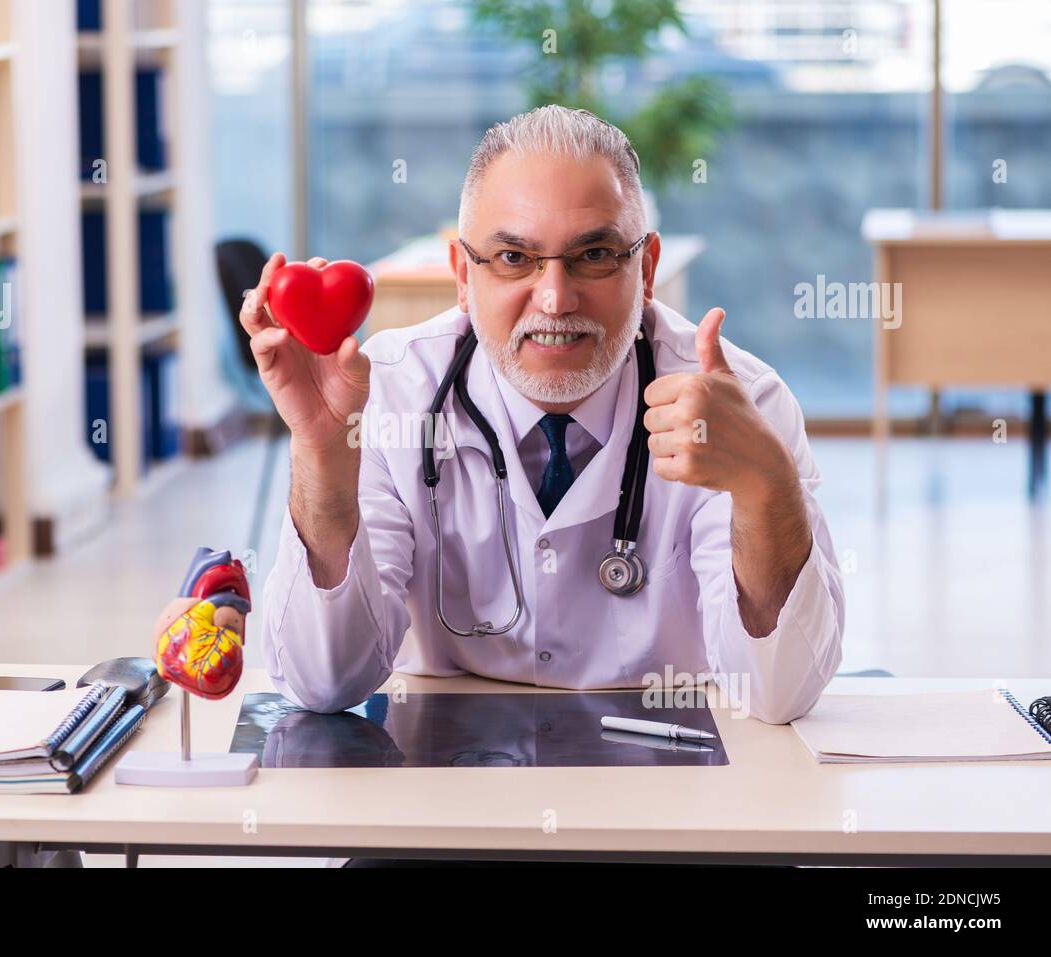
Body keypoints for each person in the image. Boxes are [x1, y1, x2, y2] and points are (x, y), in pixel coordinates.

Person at [169, 104, 845, 730]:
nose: (554, 298)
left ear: (646, 270)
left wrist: (766, 489)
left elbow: (779, 691)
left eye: (595, 254)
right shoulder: (390, 392)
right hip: (450, 800)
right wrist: (320, 454)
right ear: (463, 274)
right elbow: (324, 683)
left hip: (672, 795)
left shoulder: (739, 407)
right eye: (515, 257)